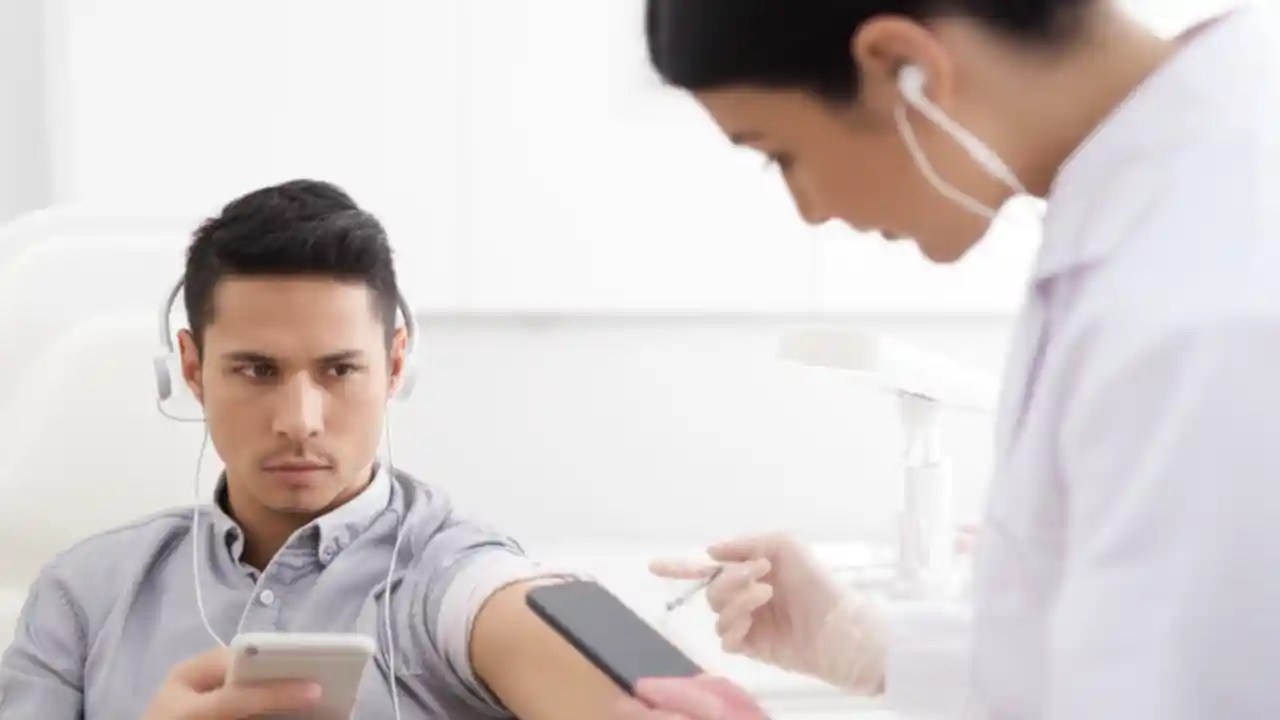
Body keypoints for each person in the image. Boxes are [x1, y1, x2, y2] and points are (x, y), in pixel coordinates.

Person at [619, 1, 1280, 718]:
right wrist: (870, 645)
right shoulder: (1166, 209)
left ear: (902, 67)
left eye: (781, 153)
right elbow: (1117, 645)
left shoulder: (1210, 310)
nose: (808, 209)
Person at [0, 180, 624, 718]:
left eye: (339, 371)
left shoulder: (454, 578)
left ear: (395, 363)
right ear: (191, 369)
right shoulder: (83, 596)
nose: (300, 422)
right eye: (256, 371)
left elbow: (534, 620)